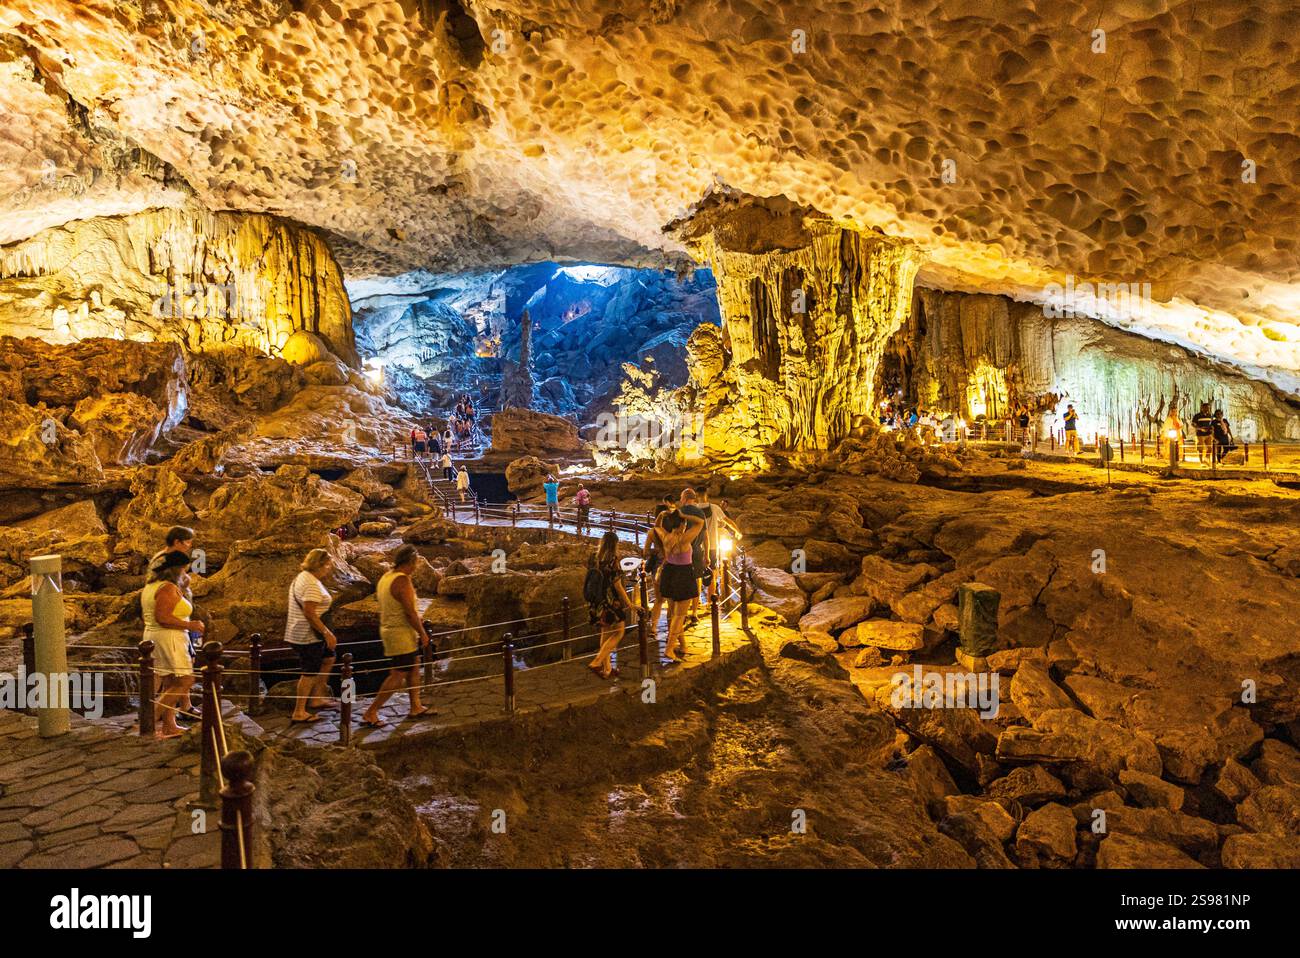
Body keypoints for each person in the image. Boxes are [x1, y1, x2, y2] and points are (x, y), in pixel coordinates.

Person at [361, 545, 432, 726]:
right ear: (409, 562)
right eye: (415, 563)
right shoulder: (402, 581)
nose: (416, 567)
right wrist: (423, 633)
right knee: (397, 675)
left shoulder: (386, 577)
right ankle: (371, 711)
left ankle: (415, 706)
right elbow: (410, 613)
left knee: (414, 666)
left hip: (392, 630)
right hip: (399, 633)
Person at [142, 551, 204, 739]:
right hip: (170, 639)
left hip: (157, 637)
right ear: (177, 569)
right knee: (185, 680)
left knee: (170, 681)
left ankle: (170, 725)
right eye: (185, 568)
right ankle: (150, 716)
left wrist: (183, 589)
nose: (187, 572)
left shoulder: (152, 586)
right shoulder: (167, 588)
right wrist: (190, 625)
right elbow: (163, 617)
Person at [150, 526, 201, 715]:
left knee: (179, 670)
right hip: (173, 624)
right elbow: (162, 594)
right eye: (187, 542)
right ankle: (152, 714)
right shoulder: (163, 561)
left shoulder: (168, 561)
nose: (189, 546)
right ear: (177, 542)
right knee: (173, 674)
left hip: (181, 618)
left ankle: (182, 708)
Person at [285, 548, 339, 723]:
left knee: (329, 658)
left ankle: (317, 697)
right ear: (321, 564)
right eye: (328, 565)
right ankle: (299, 711)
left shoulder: (303, 577)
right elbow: (309, 612)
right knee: (309, 671)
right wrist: (327, 633)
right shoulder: (311, 584)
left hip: (302, 631)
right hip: (308, 635)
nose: (329, 568)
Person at [651, 508, 707, 663]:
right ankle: (669, 649)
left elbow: (656, 526)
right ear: (682, 524)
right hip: (683, 574)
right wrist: (684, 515)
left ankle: (683, 645)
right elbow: (701, 522)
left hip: (669, 573)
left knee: (674, 612)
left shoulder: (665, 537)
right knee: (679, 615)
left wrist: (662, 516)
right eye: (684, 523)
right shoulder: (684, 538)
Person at [586, 532, 640, 679]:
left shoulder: (594, 558)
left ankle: (607, 669)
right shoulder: (613, 561)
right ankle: (597, 662)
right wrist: (630, 604)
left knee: (605, 632)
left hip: (596, 601)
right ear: (615, 545)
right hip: (610, 602)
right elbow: (618, 586)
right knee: (619, 632)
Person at [642, 494, 676, 636]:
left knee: (658, 600)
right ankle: (671, 631)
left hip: (656, 568)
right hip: (670, 566)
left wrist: (654, 551)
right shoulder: (672, 532)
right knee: (671, 601)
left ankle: (654, 628)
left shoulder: (652, 532)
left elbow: (645, 552)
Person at [701, 489, 741, 598]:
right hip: (712, 545)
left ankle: (697, 603)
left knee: (697, 574)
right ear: (706, 496)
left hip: (697, 546)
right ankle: (710, 600)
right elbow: (727, 521)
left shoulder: (692, 508)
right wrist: (738, 531)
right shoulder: (714, 508)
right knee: (712, 571)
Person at [678, 488, 709, 624]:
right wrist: (706, 555)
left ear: (684, 498)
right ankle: (694, 613)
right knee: (697, 580)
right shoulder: (700, 513)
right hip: (697, 551)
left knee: (683, 580)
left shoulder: (681, 512)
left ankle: (683, 612)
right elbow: (706, 536)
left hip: (683, 551)